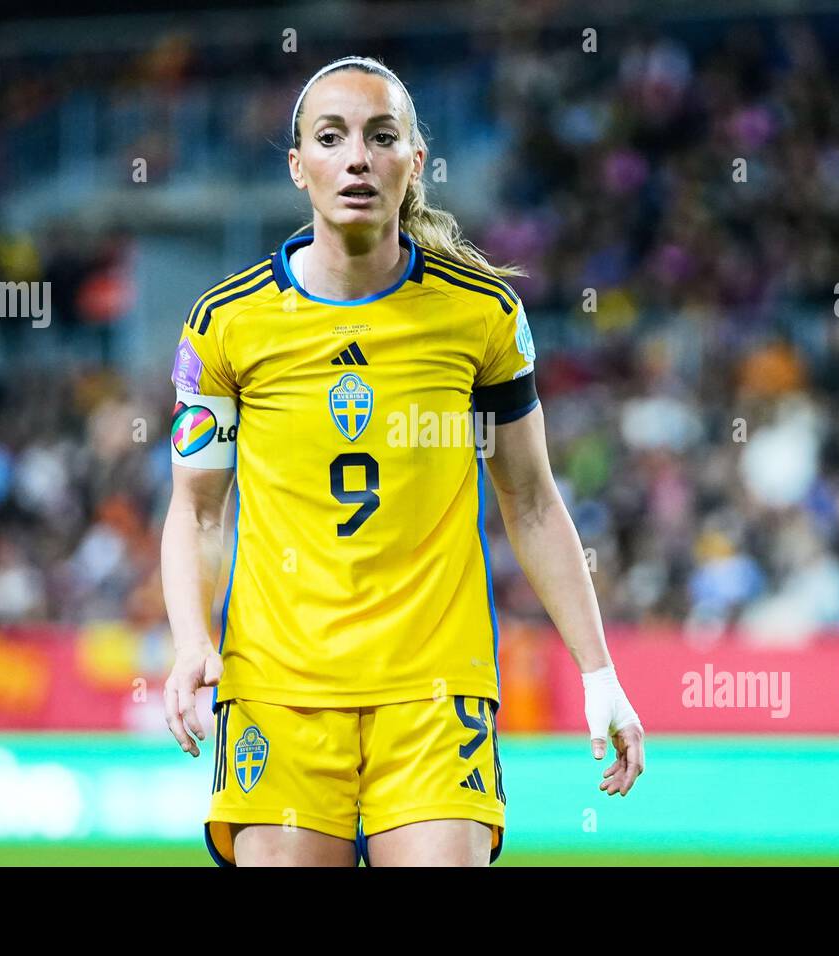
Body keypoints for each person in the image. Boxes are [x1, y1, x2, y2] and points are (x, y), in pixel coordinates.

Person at [160, 55, 643, 867]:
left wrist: (599, 674)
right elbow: (196, 509)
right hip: (278, 689)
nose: (357, 157)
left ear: (414, 162)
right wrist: (188, 638)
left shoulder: (481, 316)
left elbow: (530, 500)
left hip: (434, 693)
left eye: (382, 137)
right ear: (297, 165)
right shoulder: (224, 326)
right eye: (331, 137)